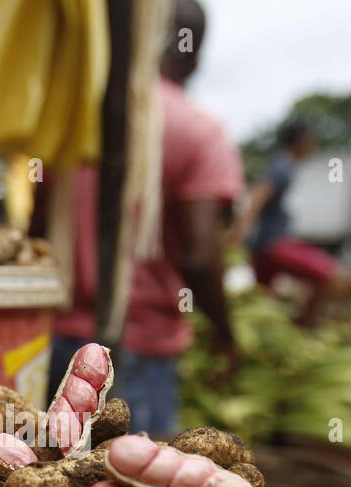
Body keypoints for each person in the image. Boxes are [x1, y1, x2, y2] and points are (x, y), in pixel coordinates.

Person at [47, 0, 242, 437]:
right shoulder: (199, 131)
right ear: (195, 54)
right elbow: (200, 256)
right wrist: (225, 332)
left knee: (44, 479)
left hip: (58, 340)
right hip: (136, 350)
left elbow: (36, 226)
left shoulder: (80, 116)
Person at [232, 120, 351, 326]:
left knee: (262, 300)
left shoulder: (286, 166)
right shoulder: (283, 167)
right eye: (311, 141)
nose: (313, 146)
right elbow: (259, 195)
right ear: (301, 141)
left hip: (265, 247)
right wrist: (241, 230)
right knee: (332, 277)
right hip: (272, 245)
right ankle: (304, 327)